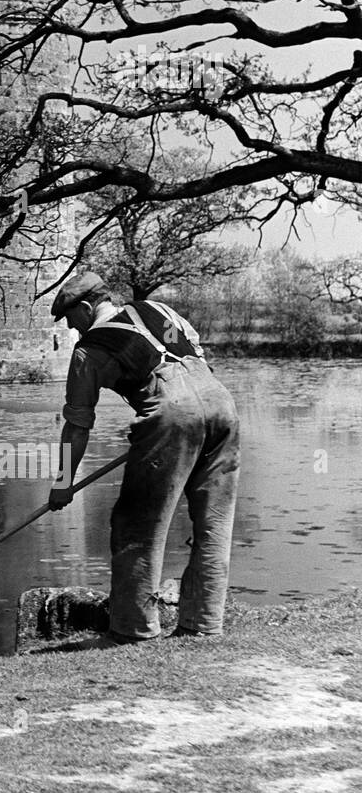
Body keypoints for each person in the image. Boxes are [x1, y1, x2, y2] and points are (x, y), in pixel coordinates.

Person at [47, 271, 240, 644]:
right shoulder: (159, 308)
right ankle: (202, 625)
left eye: (71, 319)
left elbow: (77, 425)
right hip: (222, 406)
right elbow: (198, 358)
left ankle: (131, 629)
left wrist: (63, 483)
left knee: (136, 524)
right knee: (214, 521)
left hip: (171, 416)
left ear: (86, 307)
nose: (71, 329)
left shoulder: (90, 348)